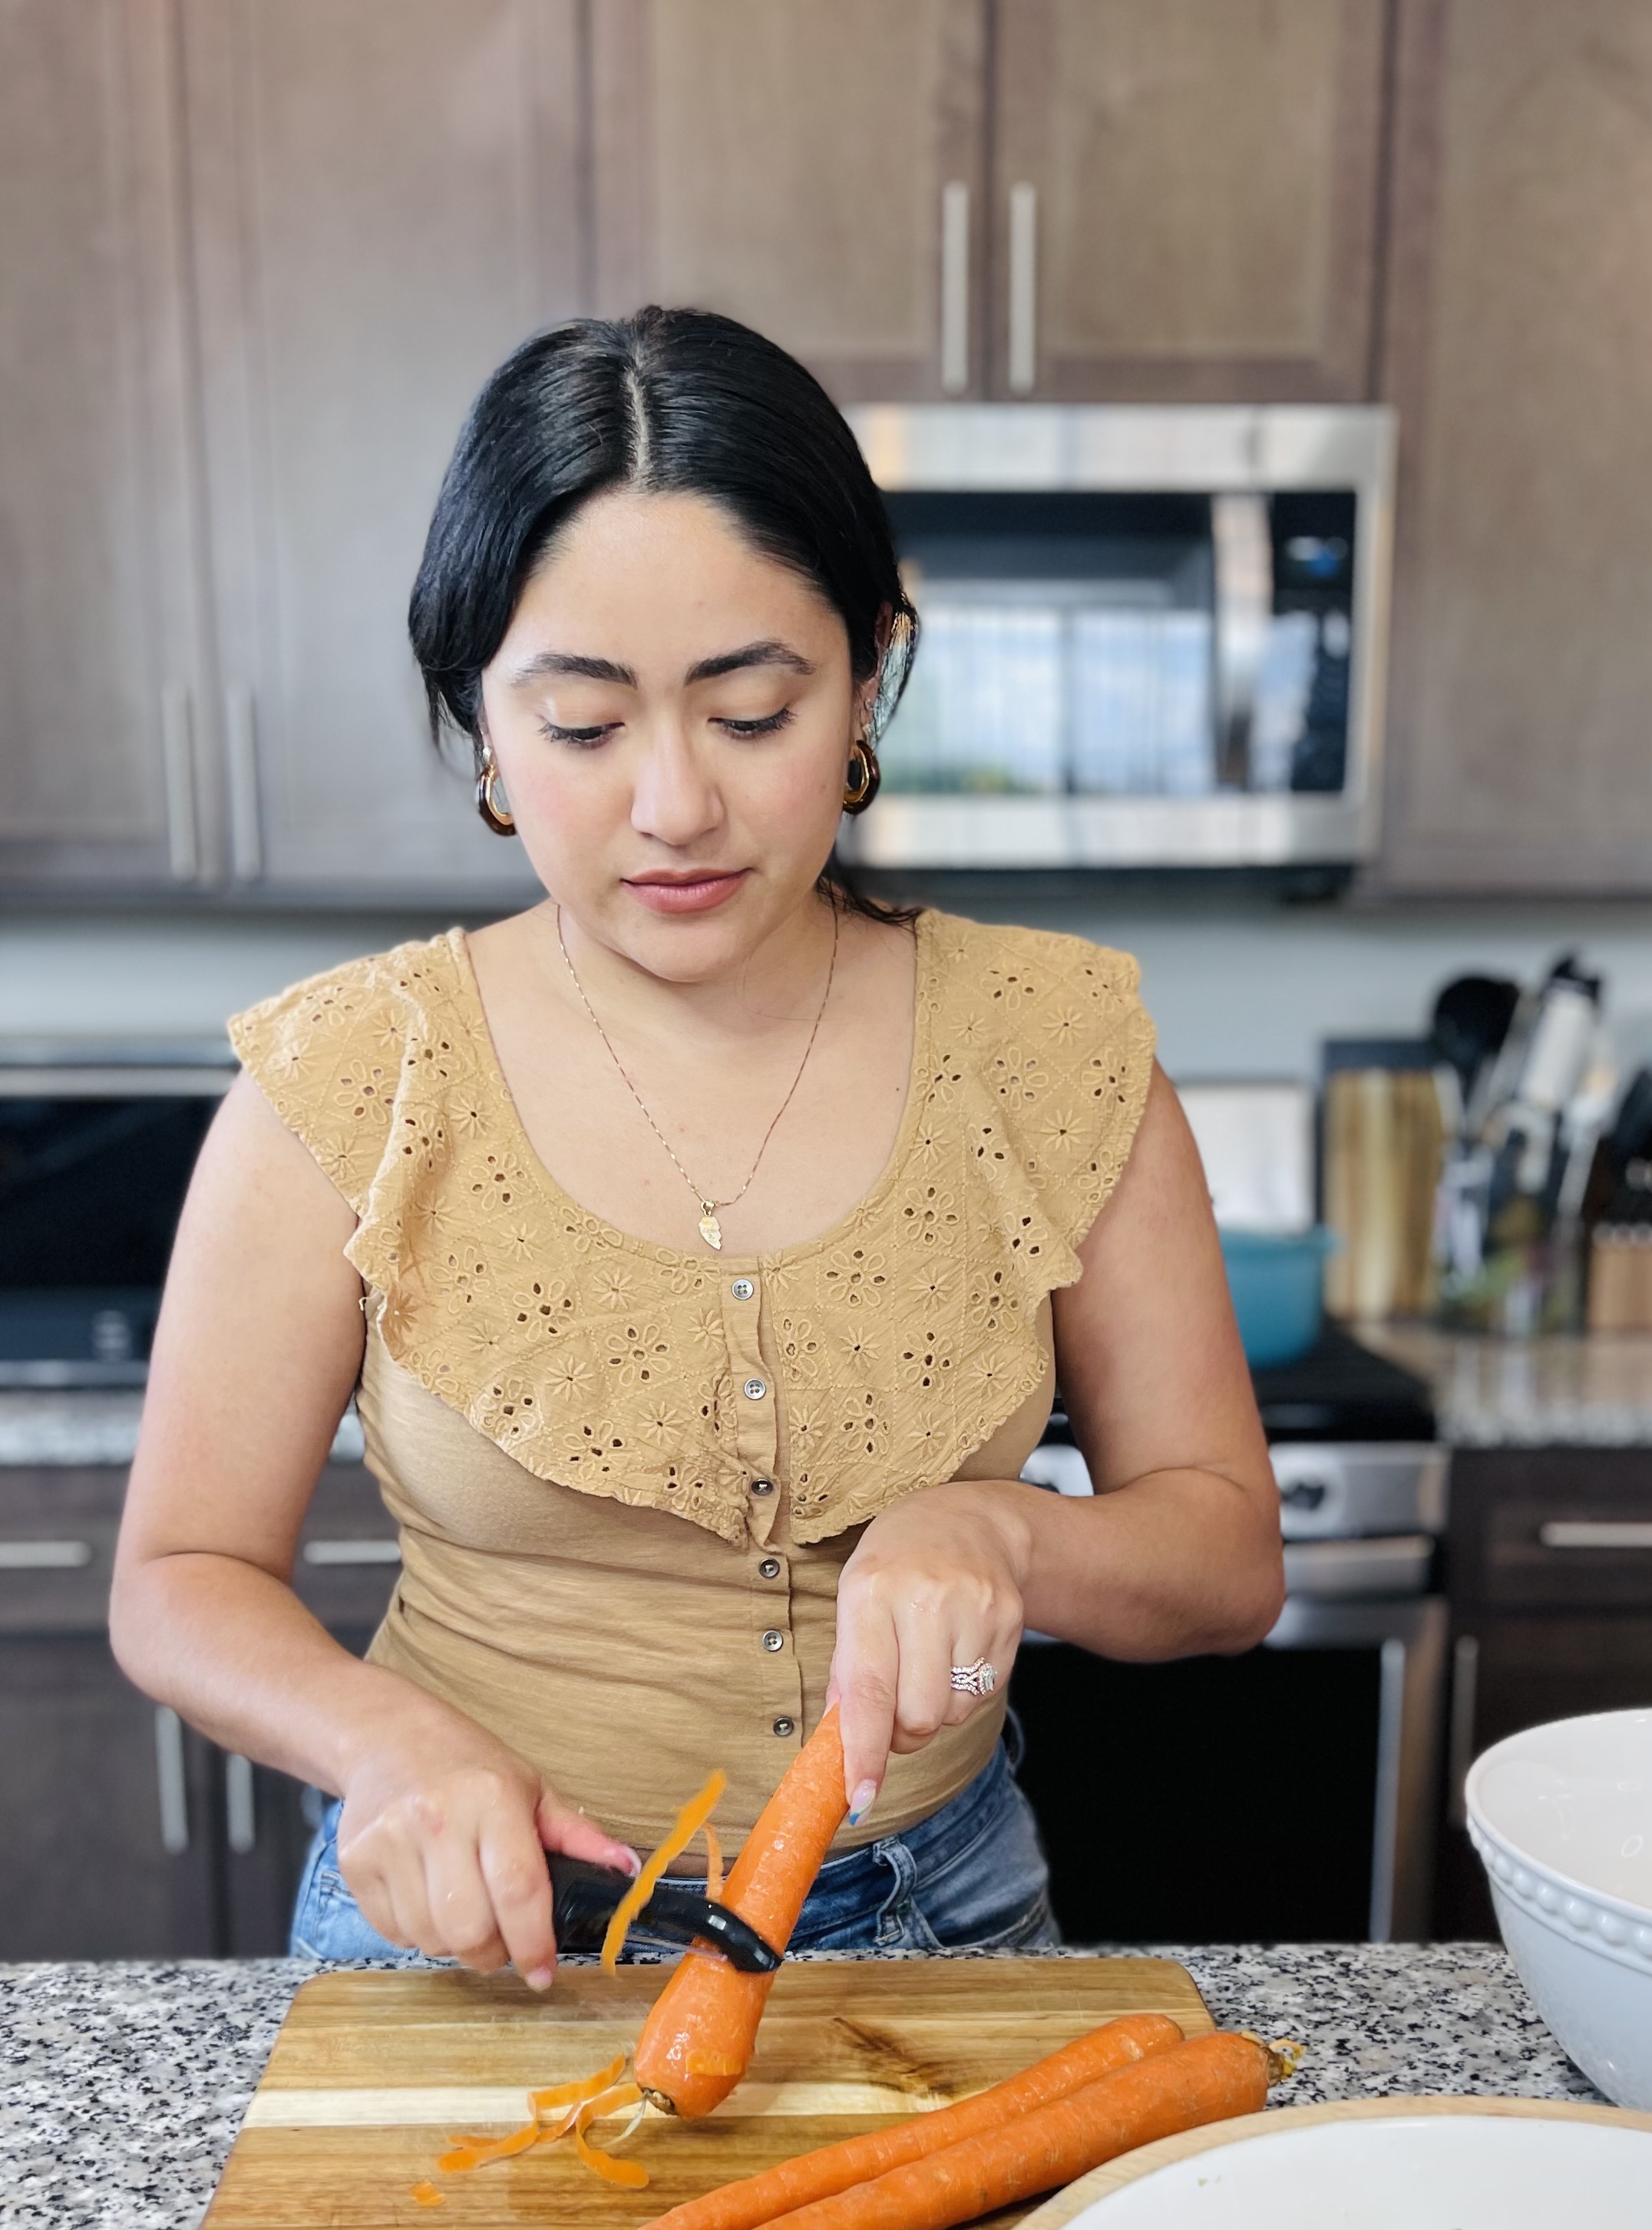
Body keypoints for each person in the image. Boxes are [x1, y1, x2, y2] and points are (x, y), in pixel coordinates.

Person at [110, 306, 1284, 1984]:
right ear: (484, 724)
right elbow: (178, 1576)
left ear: (869, 670)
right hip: (479, 1935)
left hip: (939, 1921)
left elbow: (1228, 1558)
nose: (673, 803)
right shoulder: (354, 1079)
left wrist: (1014, 1534)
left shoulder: (1055, 1053)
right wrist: (381, 1742)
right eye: (584, 726)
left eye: (750, 713)